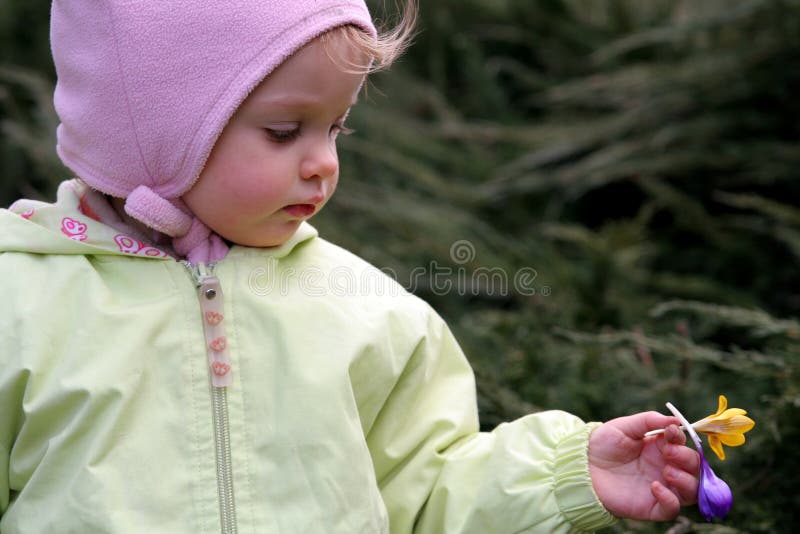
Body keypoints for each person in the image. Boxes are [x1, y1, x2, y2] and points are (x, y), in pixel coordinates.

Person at [0, 1, 700, 532]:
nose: (323, 163)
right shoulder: (21, 302)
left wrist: (568, 476)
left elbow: (426, 492)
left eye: (336, 127)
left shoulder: (368, 311)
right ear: (145, 129)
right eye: (284, 131)